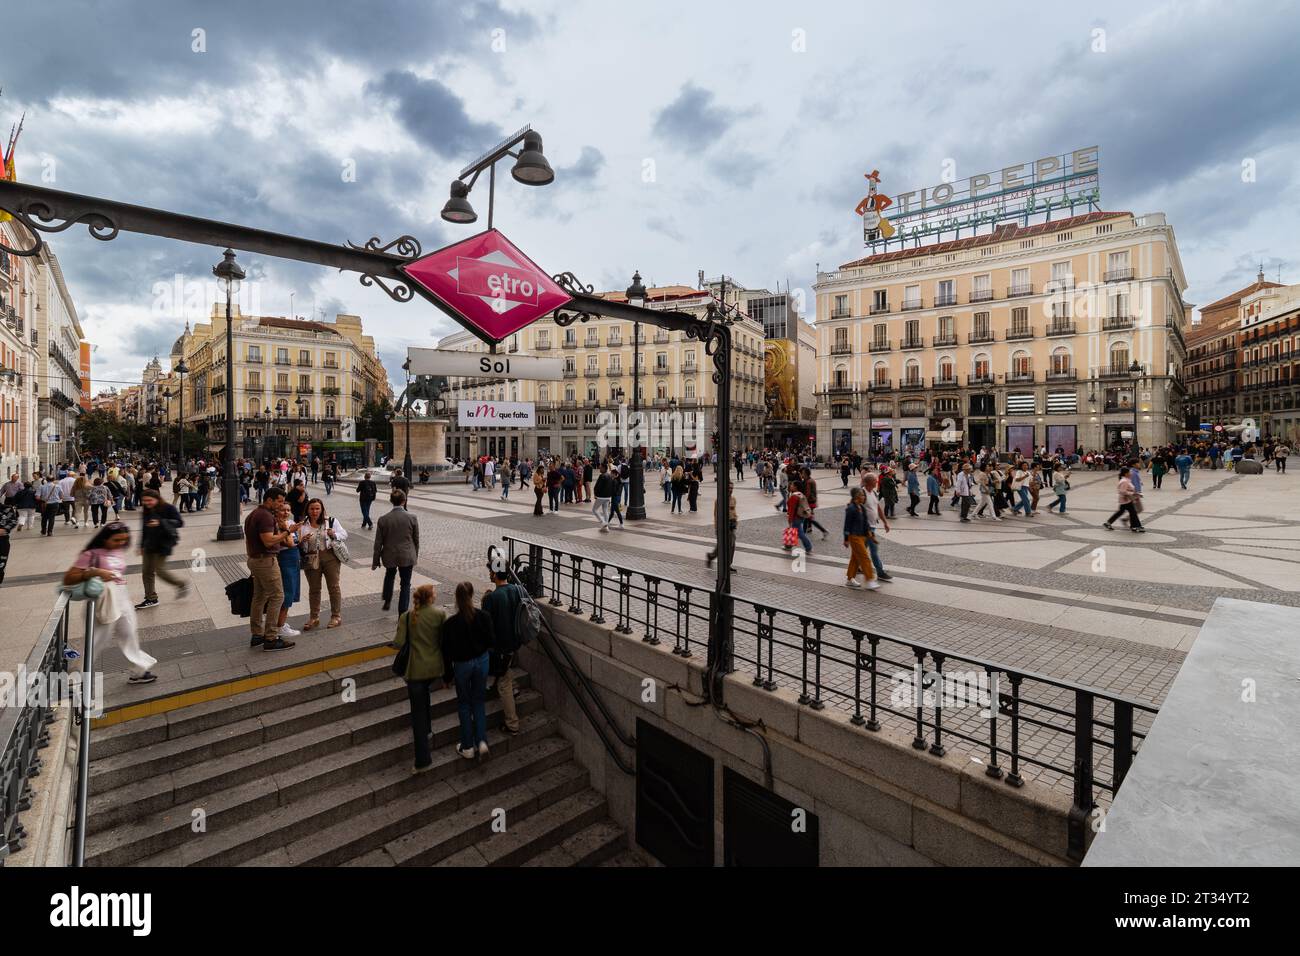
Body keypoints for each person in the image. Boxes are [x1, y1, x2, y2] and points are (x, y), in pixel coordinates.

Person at [63, 522, 159, 683]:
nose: (121, 543)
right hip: (101, 599)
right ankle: (76, 679)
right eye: (116, 540)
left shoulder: (118, 550)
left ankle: (139, 671)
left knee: (129, 633)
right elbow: (69, 578)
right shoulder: (90, 554)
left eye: (124, 539)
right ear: (105, 538)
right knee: (96, 639)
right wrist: (94, 572)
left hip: (121, 596)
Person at [392, 583, 446, 772]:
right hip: (434, 668)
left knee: (418, 713)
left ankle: (423, 759)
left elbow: (398, 643)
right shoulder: (440, 615)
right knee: (425, 697)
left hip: (415, 670)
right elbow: (443, 641)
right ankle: (429, 729)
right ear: (430, 598)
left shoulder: (407, 617)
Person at [441, 581, 494, 760]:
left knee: (464, 704)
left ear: (456, 598)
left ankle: (467, 746)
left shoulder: (450, 624)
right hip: (482, 661)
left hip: (462, 665)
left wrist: (447, 676)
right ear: (472, 596)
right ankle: (482, 741)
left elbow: (446, 653)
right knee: (478, 701)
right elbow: (491, 641)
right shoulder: (484, 617)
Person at [244, 487, 295, 650]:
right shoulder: (266, 516)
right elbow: (268, 541)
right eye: (279, 501)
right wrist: (288, 531)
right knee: (277, 596)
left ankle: (257, 634)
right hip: (265, 561)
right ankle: (271, 638)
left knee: (259, 597)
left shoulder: (254, 514)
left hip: (255, 559)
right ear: (270, 500)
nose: (281, 505)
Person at [481, 569, 523, 737]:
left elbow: (486, 624)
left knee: (503, 683)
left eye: (491, 572)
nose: (489, 574)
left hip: (501, 647)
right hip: (514, 642)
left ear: (495, 575)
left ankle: (512, 723)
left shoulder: (492, 597)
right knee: (506, 671)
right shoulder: (515, 589)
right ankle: (515, 687)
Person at [135, 488, 187, 609]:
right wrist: (141, 545)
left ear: (157, 498)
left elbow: (180, 522)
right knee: (146, 572)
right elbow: (144, 528)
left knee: (159, 570)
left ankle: (181, 584)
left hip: (164, 543)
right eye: (144, 501)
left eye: (149, 500)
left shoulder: (168, 508)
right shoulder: (146, 510)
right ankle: (151, 598)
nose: (147, 503)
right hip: (149, 543)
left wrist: (161, 522)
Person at [300, 497, 347, 630]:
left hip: (330, 557)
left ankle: (336, 616)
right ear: (307, 510)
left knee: (334, 587)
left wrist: (335, 534)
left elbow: (344, 534)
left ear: (321, 509)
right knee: (314, 589)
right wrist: (303, 540)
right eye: (312, 509)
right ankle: (314, 617)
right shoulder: (303, 524)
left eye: (317, 508)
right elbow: (298, 543)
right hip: (311, 558)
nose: (315, 511)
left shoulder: (331, 521)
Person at [374, 490, 419, 614]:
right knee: (405, 584)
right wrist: (415, 555)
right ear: (404, 501)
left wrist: (375, 560)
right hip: (407, 555)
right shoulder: (412, 517)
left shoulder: (383, 519)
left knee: (389, 575)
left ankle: (387, 599)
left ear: (391, 501)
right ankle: (402, 612)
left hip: (389, 555)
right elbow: (416, 540)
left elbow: (378, 542)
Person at [273, 497, 305, 638]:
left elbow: (295, 541)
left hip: (294, 558)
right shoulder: (278, 525)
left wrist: (300, 538)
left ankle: (281, 623)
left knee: (291, 590)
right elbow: (290, 543)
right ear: (277, 511)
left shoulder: (290, 523)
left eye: (288, 510)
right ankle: (279, 626)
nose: (286, 512)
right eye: (283, 510)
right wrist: (290, 531)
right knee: (287, 592)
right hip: (285, 559)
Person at [842, 487, 880, 590]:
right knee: (864, 557)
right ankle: (870, 580)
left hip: (862, 536)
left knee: (855, 558)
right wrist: (846, 539)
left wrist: (871, 536)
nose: (864, 497)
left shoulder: (861, 507)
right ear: (857, 496)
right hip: (854, 537)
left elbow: (866, 524)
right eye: (863, 495)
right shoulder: (851, 509)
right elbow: (847, 525)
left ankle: (850, 579)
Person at [861, 474, 893, 581]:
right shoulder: (862, 493)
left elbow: (878, 508)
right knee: (874, 550)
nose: (877, 482)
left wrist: (885, 522)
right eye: (875, 481)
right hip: (866, 528)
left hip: (872, 526)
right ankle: (880, 572)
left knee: (861, 549)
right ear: (869, 482)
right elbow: (855, 510)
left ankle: (856, 566)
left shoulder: (874, 492)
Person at [1103, 467, 1145, 533]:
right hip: (1126, 500)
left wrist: (1136, 493)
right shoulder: (1124, 481)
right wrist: (1133, 493)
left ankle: (1108, 523)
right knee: (1133, 513)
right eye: (1129, 472)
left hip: (1126, 499)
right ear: (1126, 474)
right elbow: (1123, 491)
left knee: (1121, 512)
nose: (1130, 473)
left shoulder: (1126, 480)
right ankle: (1135, 526)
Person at [705, 488, 737, 570]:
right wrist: (717, 527)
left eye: (732, 488)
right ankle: (712, 557)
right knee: (723, 545)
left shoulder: (733, 499)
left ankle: (726, 563)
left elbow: (733, 511)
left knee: (731, 545)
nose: (730, 490)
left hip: (731, 525)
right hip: (723, 526)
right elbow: (716, 514)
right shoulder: (720, 500)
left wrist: (735, 519)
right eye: (729, 488)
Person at [593, 465, 616, 531]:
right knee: (605, 510)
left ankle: (603, 522)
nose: (599, 468)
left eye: (600, 467)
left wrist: (596, 494)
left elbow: (598, 486)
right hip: (608, 496)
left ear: (604, 468)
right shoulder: (609, 476)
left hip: (601, 496)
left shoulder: (602, 476)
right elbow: (612, 486)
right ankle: (606, 527)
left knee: (594, 509)